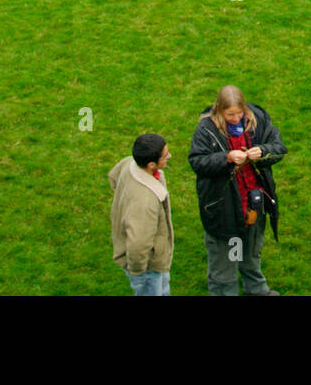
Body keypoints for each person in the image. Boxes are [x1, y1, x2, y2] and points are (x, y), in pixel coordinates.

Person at [187, 85, 286, 296]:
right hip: (225, 206)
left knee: (251, 252)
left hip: (253, 202)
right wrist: (226, 158)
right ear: (219, 110)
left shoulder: (258, 118)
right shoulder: (206, 130)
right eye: (230, 114)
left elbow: (278, 147)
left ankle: (256, 290)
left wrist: (264, 151)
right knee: (225, 262)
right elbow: (197, 162)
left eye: (239, 113)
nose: (235, 118)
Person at [108, 133, 174, 296]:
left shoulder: (129, 162)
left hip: (156, 262)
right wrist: (138, 271)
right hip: (148, 268)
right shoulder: (145, 202)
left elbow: (113, 177)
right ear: (151, 164)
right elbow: (138, 245)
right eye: (165, 156)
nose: (170, 156)